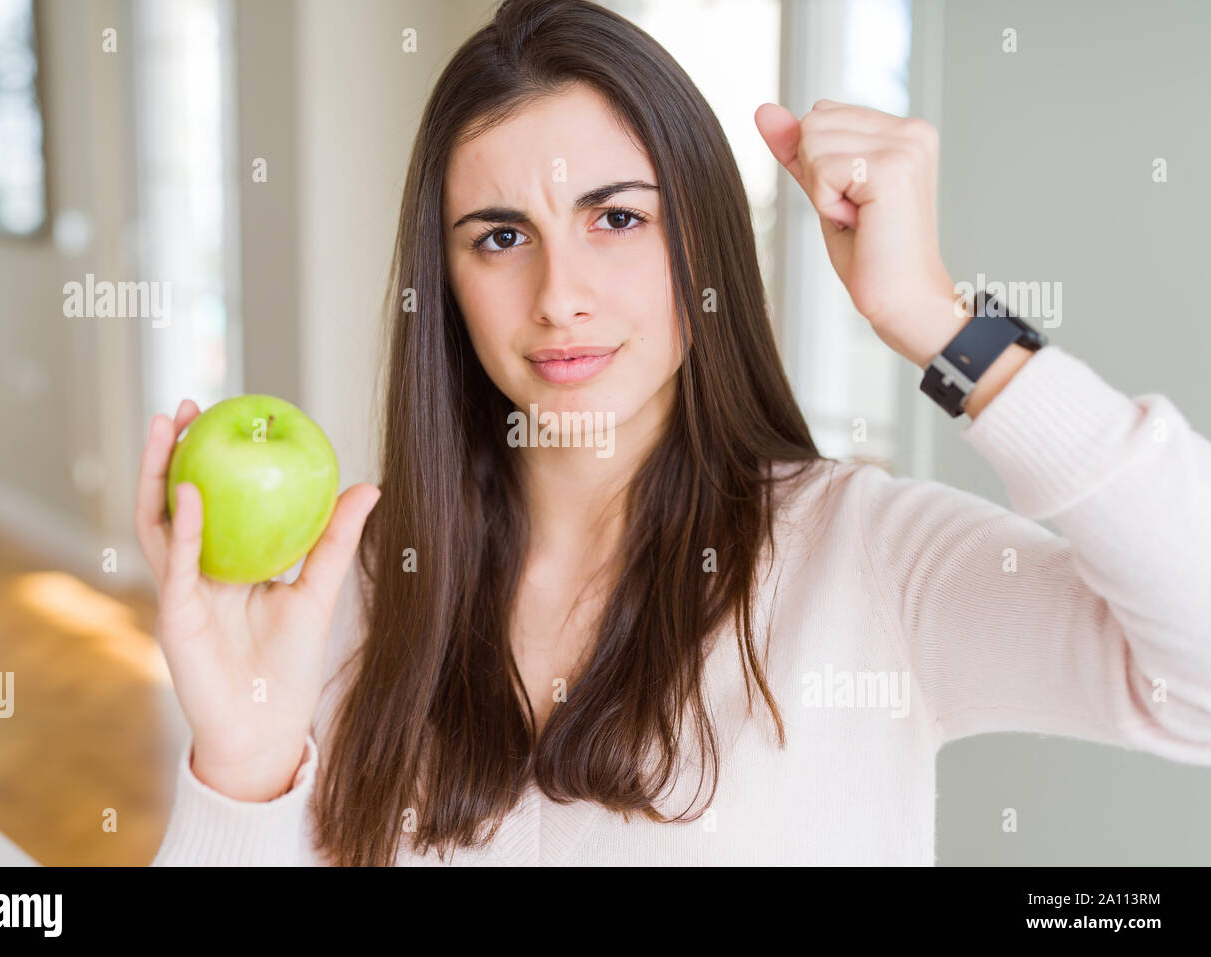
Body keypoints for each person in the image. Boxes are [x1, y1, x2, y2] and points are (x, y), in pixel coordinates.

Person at [140, 0, 1211, 866]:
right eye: (502, 235)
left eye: (617, 218)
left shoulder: (867, 559)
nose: (560, 296)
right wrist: (240, 766)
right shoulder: (355, 585)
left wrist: (937, 322)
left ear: (702, 242)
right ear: (446, 282)